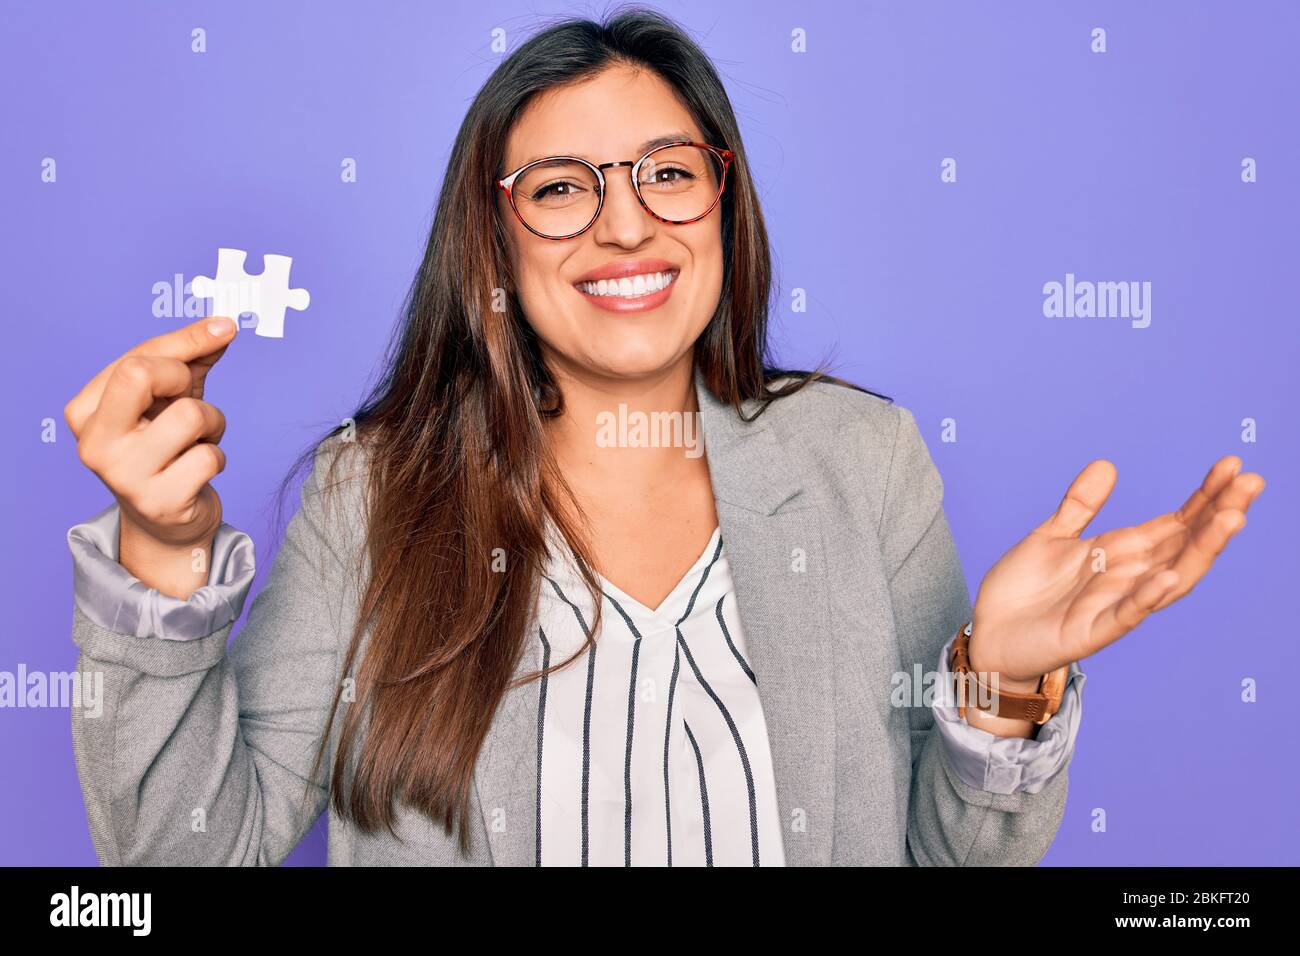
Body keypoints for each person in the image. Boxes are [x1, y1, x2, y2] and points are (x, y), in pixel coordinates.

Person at [62, 9, 1264, 867]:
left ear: (722, 202)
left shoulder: (863, 459)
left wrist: (998, 689)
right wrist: (161, 555)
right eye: (561, 187)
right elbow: (176, 853)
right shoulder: (368, 491)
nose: (625, 224)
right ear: (495, 238)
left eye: (667, 172)